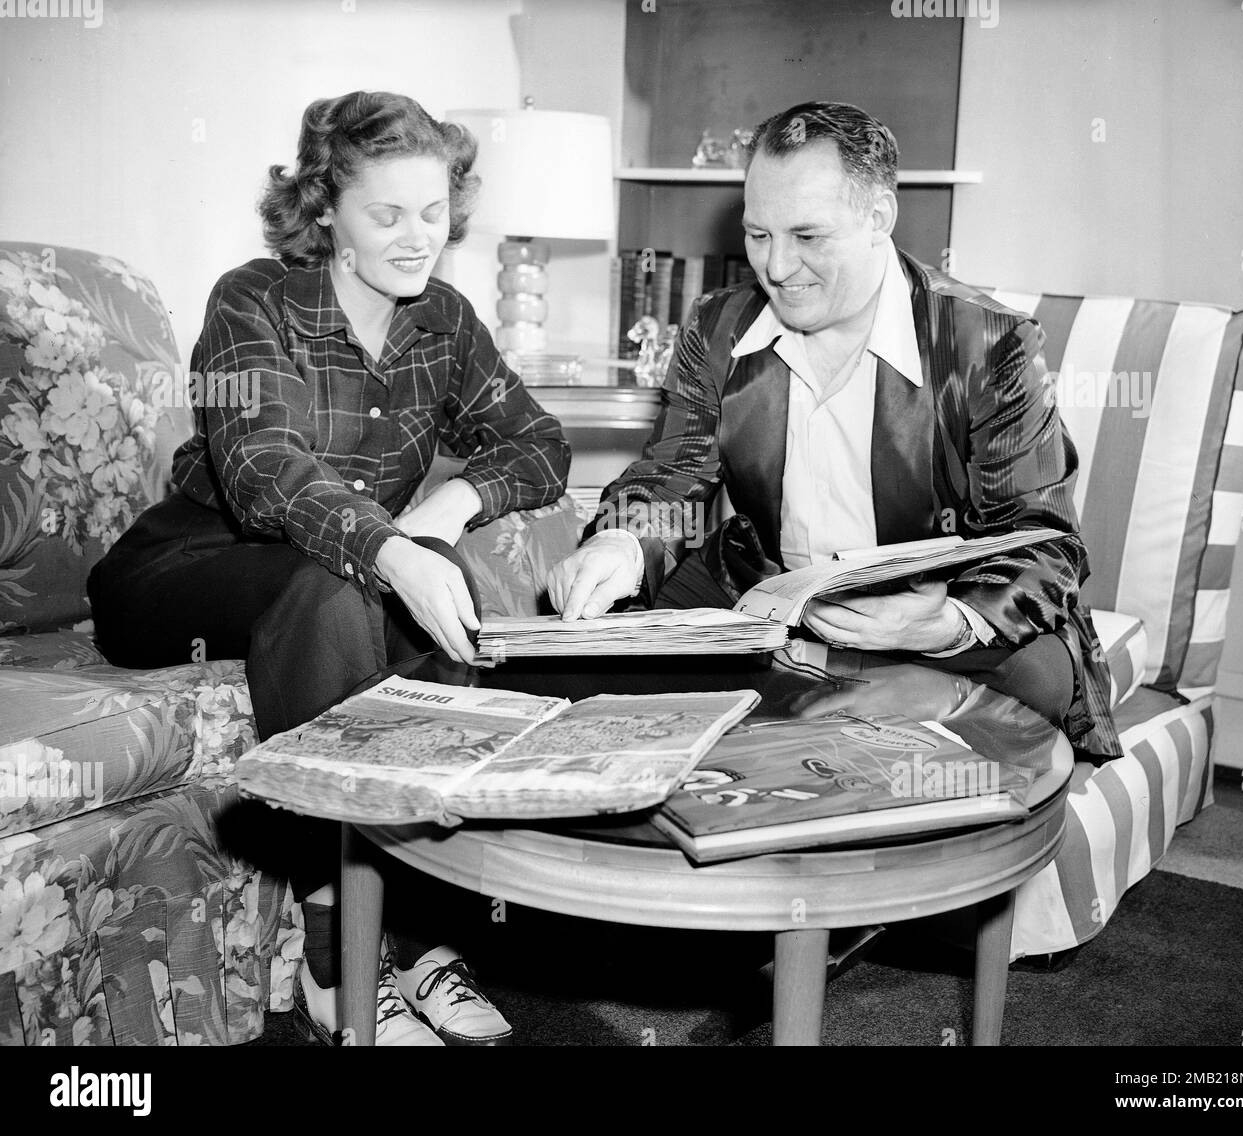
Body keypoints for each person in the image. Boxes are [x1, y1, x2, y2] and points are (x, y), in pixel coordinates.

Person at [89, 90, 571, 1045]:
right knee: (352, 579)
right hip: (183, 566)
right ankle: (336, 963)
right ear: (326, 212)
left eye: (432, 212)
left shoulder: (445, 321)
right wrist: (393, 546)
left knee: (416, 590)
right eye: (385, 214)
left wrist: (446, 508)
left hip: (327, 571)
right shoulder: (252, 298)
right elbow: (266, 467)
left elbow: (538, 443)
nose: (416, 237)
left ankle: (424, 941)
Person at [547, 100, 1121, 763]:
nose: (778, 268)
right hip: (765, 592)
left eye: (808, 237)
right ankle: (816, 709)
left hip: (930, 614)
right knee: (593, 644)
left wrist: (943, 626)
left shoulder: (989, 343)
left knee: (1033, 682)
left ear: (878, 218)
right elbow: (674, 476)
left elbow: (1042, 540)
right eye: (758, 235)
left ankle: (800, 705)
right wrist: (621, 544)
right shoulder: (717, 325)